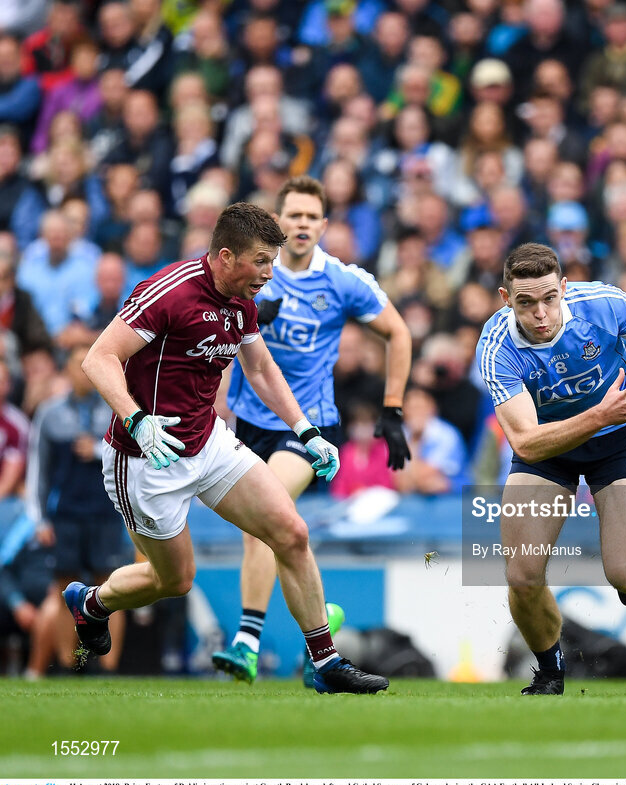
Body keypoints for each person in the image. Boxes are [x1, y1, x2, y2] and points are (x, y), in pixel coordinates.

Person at [67, 201, 389, 694]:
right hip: (146, 459)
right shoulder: (168, 293)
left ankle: (326, 664)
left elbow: (259, 368)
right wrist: (137, 419)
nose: (269, 271)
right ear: (224, 255)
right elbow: (99, 357)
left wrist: (305, 429)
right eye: (260, 260)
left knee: (291, 533)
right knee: (173, 581)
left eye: (272, 259)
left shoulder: (242, 301)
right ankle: (91, 604)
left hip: (209, 441)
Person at [475, 242, 626, 695]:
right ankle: (549, 669)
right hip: (549, 448)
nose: (540, 313)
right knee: (522, 576)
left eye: (548, 298)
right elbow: (524, 440)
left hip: (619, 442)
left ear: (563, 288)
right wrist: (602, 412)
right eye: (525, 303)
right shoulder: (496, 346)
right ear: (506, 299)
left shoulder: (602, 302)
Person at [210, 176, 411, 686]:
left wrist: (392, 411)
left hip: (308, 427)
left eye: (310, 216)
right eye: (292, 215)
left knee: (267, 513)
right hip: (248, 422)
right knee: (278, 532)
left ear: (323, 225)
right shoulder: (252, 275)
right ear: (277, 223)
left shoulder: (343, 281)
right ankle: (323, 630)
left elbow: (398, 333)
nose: (301, 224)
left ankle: (246, 643)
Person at [24, 343, 132, 678]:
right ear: (69, 371)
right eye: (77, 365)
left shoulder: (116, 410)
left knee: (111, 589)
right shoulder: (50, 414)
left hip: (107, 513)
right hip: (66, 515)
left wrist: (99, 451)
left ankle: (109, 668)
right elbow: (38, 469)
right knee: (63, 591)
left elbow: (132, 457)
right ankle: (68, 666)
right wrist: (39, 518)